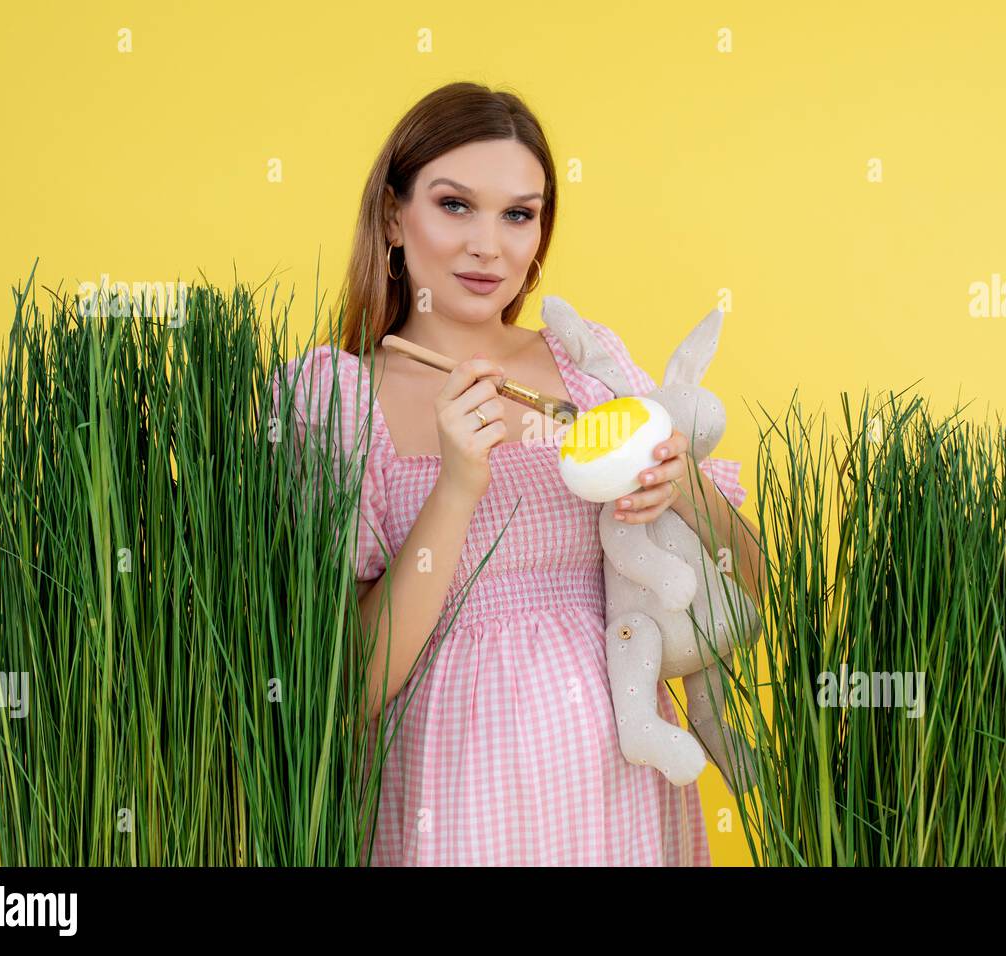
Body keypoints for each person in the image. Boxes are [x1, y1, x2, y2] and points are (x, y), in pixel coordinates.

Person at [279, 81, 760, 866]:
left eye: (518, 214)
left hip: (619, 793)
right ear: (394, 217)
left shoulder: (589, 366)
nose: (488, 247)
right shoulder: (337, 398)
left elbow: (749, 581)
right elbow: (352, 690)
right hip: (453, 796)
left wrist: (688, 488)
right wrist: (457, 487)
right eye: (455, 205)